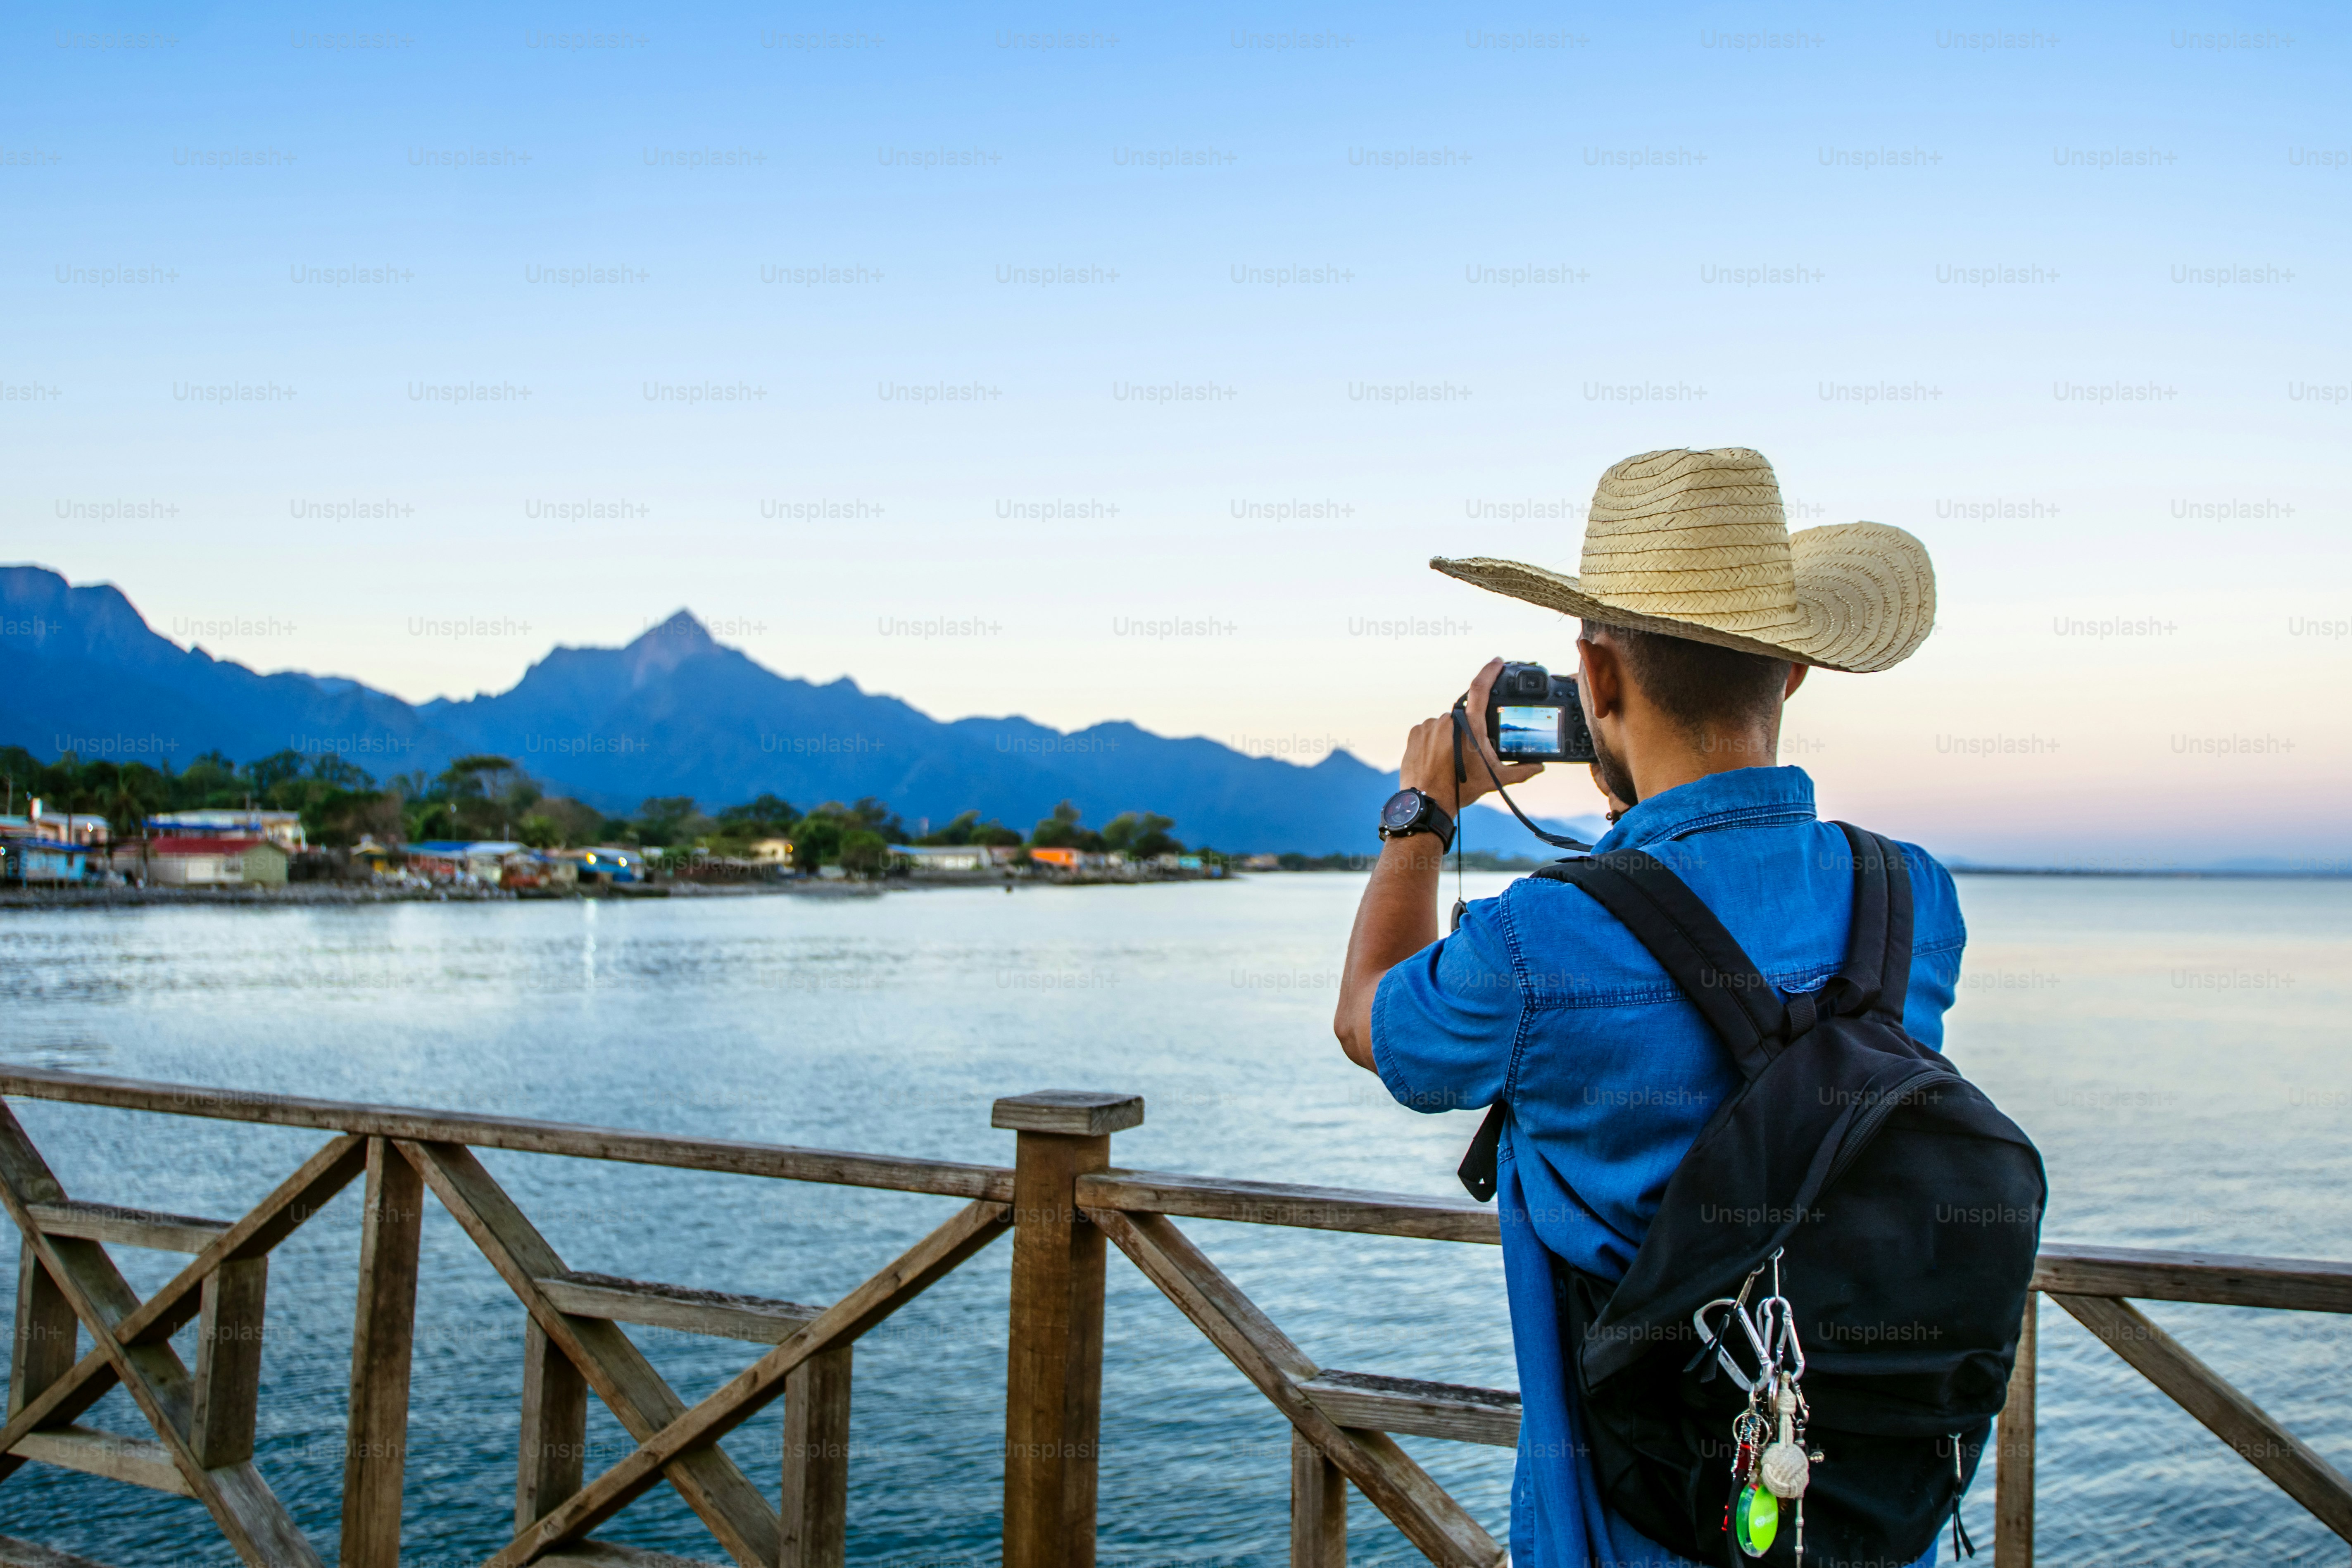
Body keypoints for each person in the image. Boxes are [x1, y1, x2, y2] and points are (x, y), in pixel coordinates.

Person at [1333, 447, 1966, 1568]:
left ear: (1595, 676)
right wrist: (1640, 787)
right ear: (1795, 672)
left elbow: (1372, 1019)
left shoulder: (1542, 940)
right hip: (1857, 1525)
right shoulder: (1912, 899)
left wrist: (1423, 810)